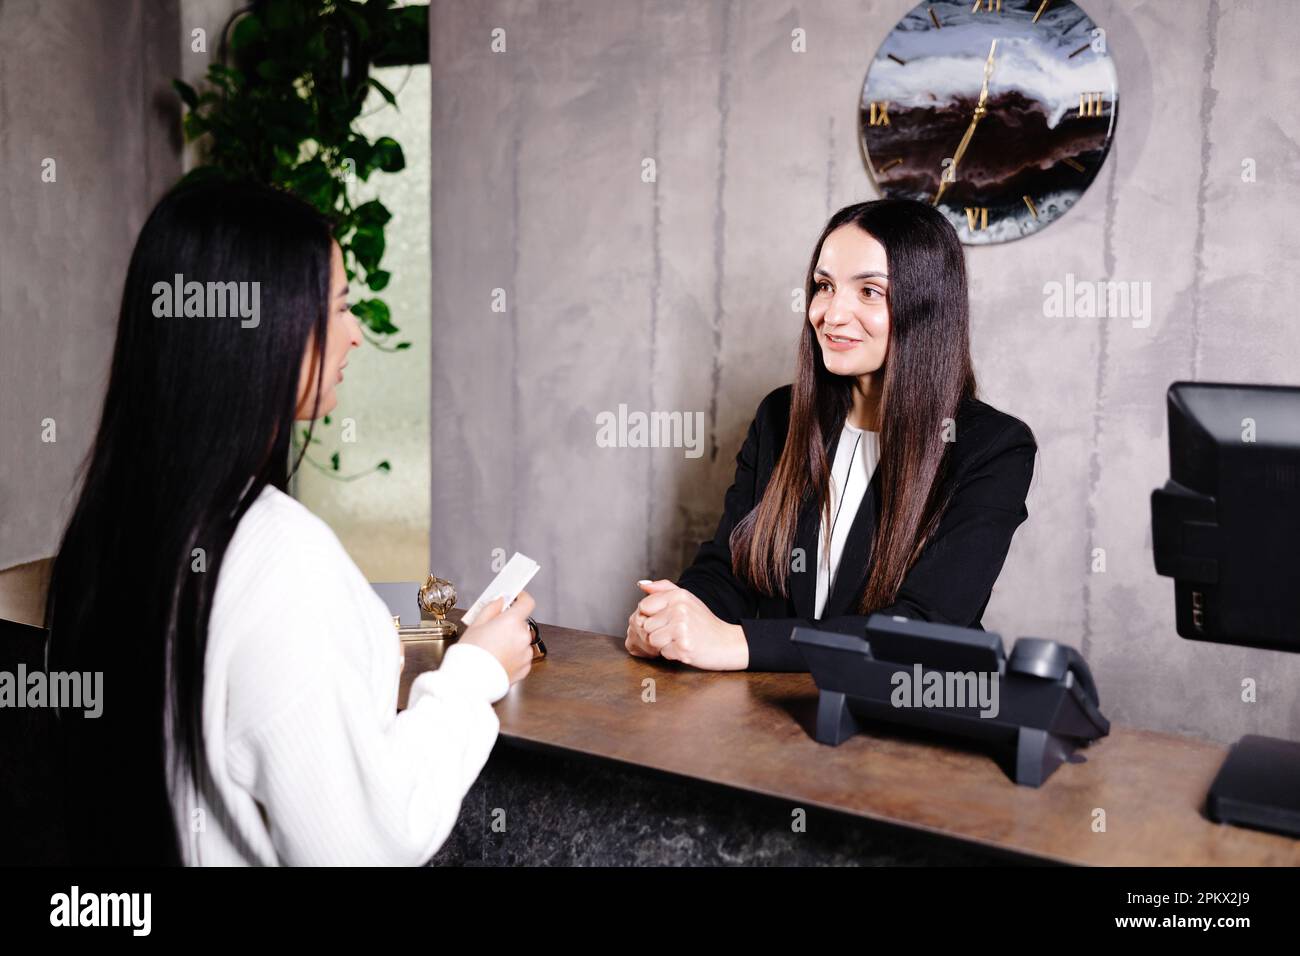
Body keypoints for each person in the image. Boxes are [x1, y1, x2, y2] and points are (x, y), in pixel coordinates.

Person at [45, 180, 536, 865]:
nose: (356, 334)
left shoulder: (114, 522)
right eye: (337, 307)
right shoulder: (279, 554)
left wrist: (398, 624)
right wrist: (475, 672)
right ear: (260, 329)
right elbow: (364, 845)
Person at [626, 199, 1036, 672]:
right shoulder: (780, 416)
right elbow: (730, 569)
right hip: (772, 708)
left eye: (869, 291)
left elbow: (924, 629)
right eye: (825, 286)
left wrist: (738, 644)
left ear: (927, 307)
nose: (831, 314)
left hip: (901, 710)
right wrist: (672, 619)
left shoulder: (993, 447)